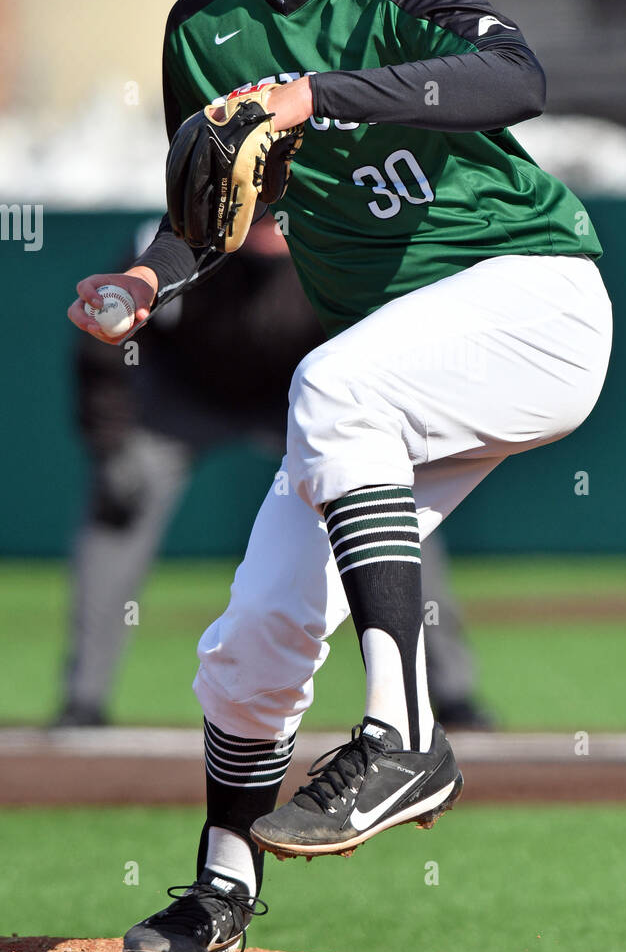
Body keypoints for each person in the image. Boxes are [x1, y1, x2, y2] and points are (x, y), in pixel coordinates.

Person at [67, 0, 612, 952]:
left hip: (529, 297)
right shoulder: (205, 30)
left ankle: (402, 734)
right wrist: (148, 281)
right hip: (404, 360)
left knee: (331, 386)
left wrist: (312, 95)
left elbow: (515, 76)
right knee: (252, 636)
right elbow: (214, 206)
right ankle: (221, 890)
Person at [59, 215, 492, 732]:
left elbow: (394, 355)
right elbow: (104, 350)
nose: (268, 221)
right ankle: (83, 699)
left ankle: (453, 692)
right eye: (259, 207)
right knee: (119, 507)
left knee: (391, 514)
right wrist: (111, 445)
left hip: (311, 396)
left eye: (278, 205)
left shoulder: (348, 243)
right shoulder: (174, 242)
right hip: (183, 399)